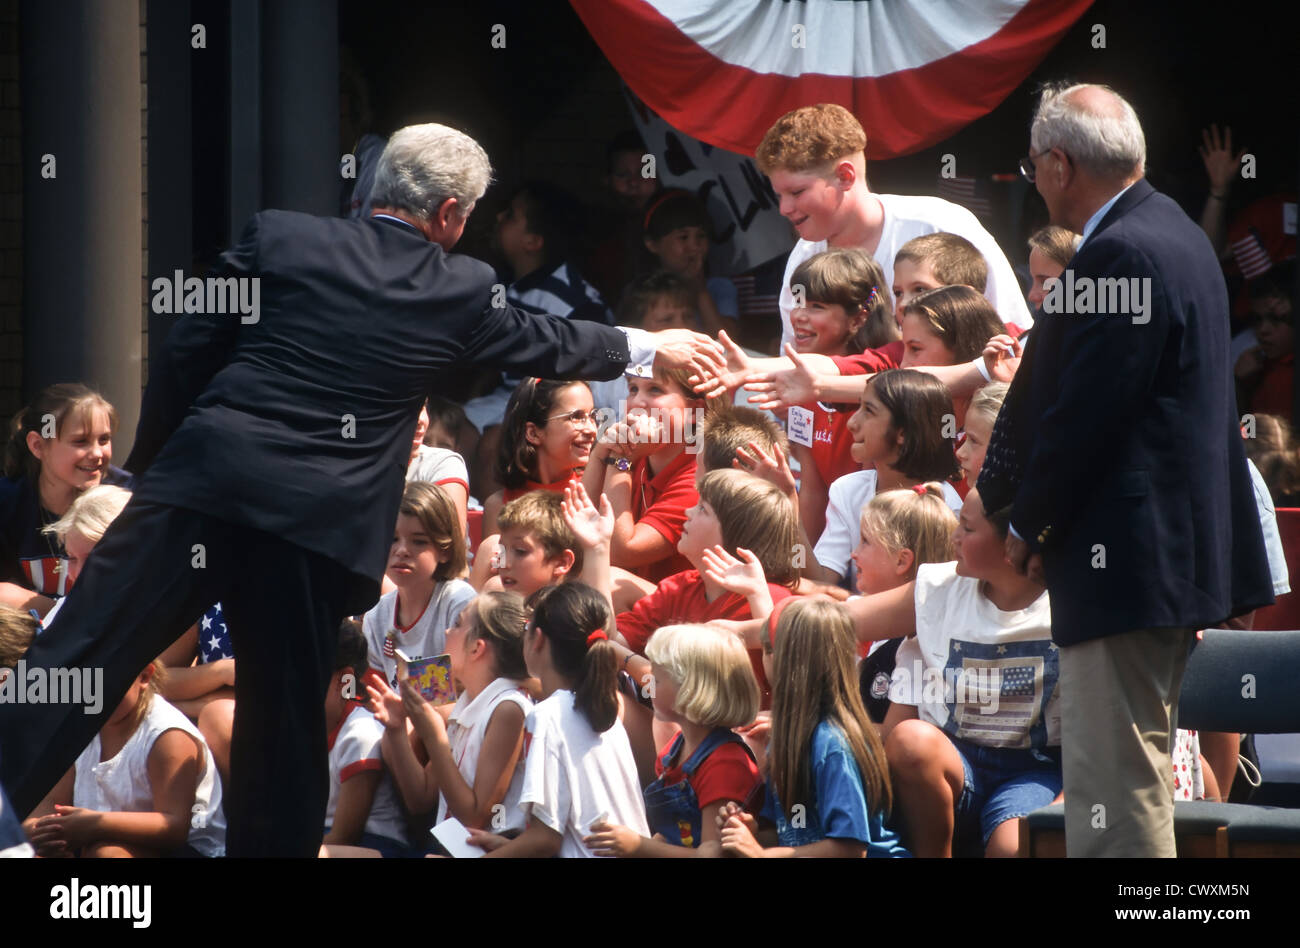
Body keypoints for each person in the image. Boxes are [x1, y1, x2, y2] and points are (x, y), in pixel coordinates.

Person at [0, 122, 723, 856]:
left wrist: (156, 465)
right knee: (280, 725)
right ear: (448, 215)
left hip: (200, 490)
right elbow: (545, 339)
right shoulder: (458, 288)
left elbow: (190, 340)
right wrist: (647, 343)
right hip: (312, 533)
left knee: (78, 654)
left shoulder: (279, 240)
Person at [977, 83, 1274, 857]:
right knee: (1128, 773)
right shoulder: (1171, 228)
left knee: (1116, 787)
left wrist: (1031, 523)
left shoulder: (1123, 250)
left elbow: (1087, 416)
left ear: (1058, 163)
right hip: (1161, 560)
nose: (1037, 181)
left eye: (1034, 168)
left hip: (1130, 565)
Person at [755, 103, 1030, 354]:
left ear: (845, 176)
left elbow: (1014, 336)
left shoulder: (940, 224)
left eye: (796, 192)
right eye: (780, 195)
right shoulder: (804, 255)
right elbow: (794, 367)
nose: (784, 208)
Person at [716, 596, 908, 858]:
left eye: (766, 648)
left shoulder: (832, 744)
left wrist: (760, 855)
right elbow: (794, 830)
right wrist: (752, 833)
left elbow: (850, 849)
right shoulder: (788, 739)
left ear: (778, 659)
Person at [467, 583, 649, 857]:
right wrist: (509, 847)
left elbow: (545, 840)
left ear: (537, 639)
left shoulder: (548, 715)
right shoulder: (603, 710)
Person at [583, 623, 762, 856]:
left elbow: (713, 852)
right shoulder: (675, 751)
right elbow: (671, 833)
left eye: (657, 680)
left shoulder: (724, 763)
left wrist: (638, 845)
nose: (650, 686)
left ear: (691, 690)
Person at [367, 591, 531, 841]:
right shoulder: (467, 701)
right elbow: (421, 799)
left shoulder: (508, 708)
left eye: (457, 624)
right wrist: (397, 729)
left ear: (477, 648)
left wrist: (435, 736)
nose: (447, 632)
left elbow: (475, 818)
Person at [21, 659, 227, 857]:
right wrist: (38, 830)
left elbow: (174, 827)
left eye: (107, 687)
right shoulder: (78, 726)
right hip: (93, 838)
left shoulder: (166, 735)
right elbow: (51, 801)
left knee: (106, 854)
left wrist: (95, 825)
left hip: (184, 850)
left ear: (144, 676)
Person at [0, 384, 131, 616]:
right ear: (38, 445)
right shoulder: (8, 504)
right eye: (81, 441)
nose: (98, 453)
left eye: (104, 439)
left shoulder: (131, 499)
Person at [363, 482, 475, 692]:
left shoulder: (460, 603)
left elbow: (461, 691)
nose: (402, 550)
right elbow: (376, 695)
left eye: (419, 541)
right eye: (393, 539)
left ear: (445, 550)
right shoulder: (376, 616)